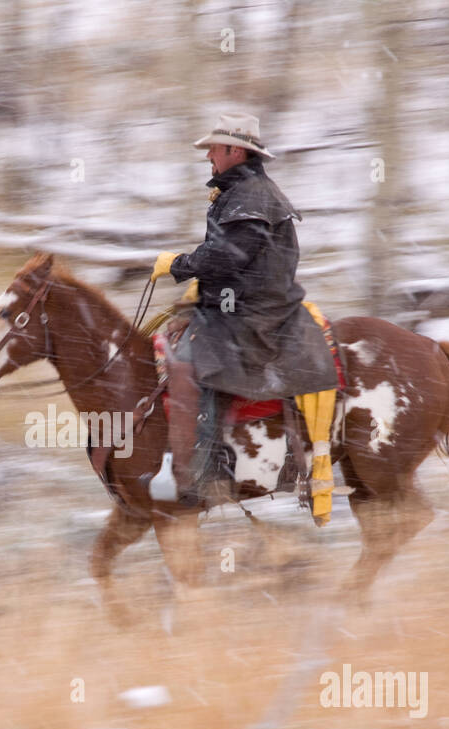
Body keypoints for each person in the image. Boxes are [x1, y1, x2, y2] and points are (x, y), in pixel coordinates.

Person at [148, 112, 339, 506]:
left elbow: (226, 257)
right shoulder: (242, 192)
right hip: (240, 305)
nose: (208, 157)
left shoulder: (250, 196)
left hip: (255, 314)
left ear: (235, 151)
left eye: (213, 149)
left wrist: (178, 265)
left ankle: (206, 470)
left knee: (188, 363)